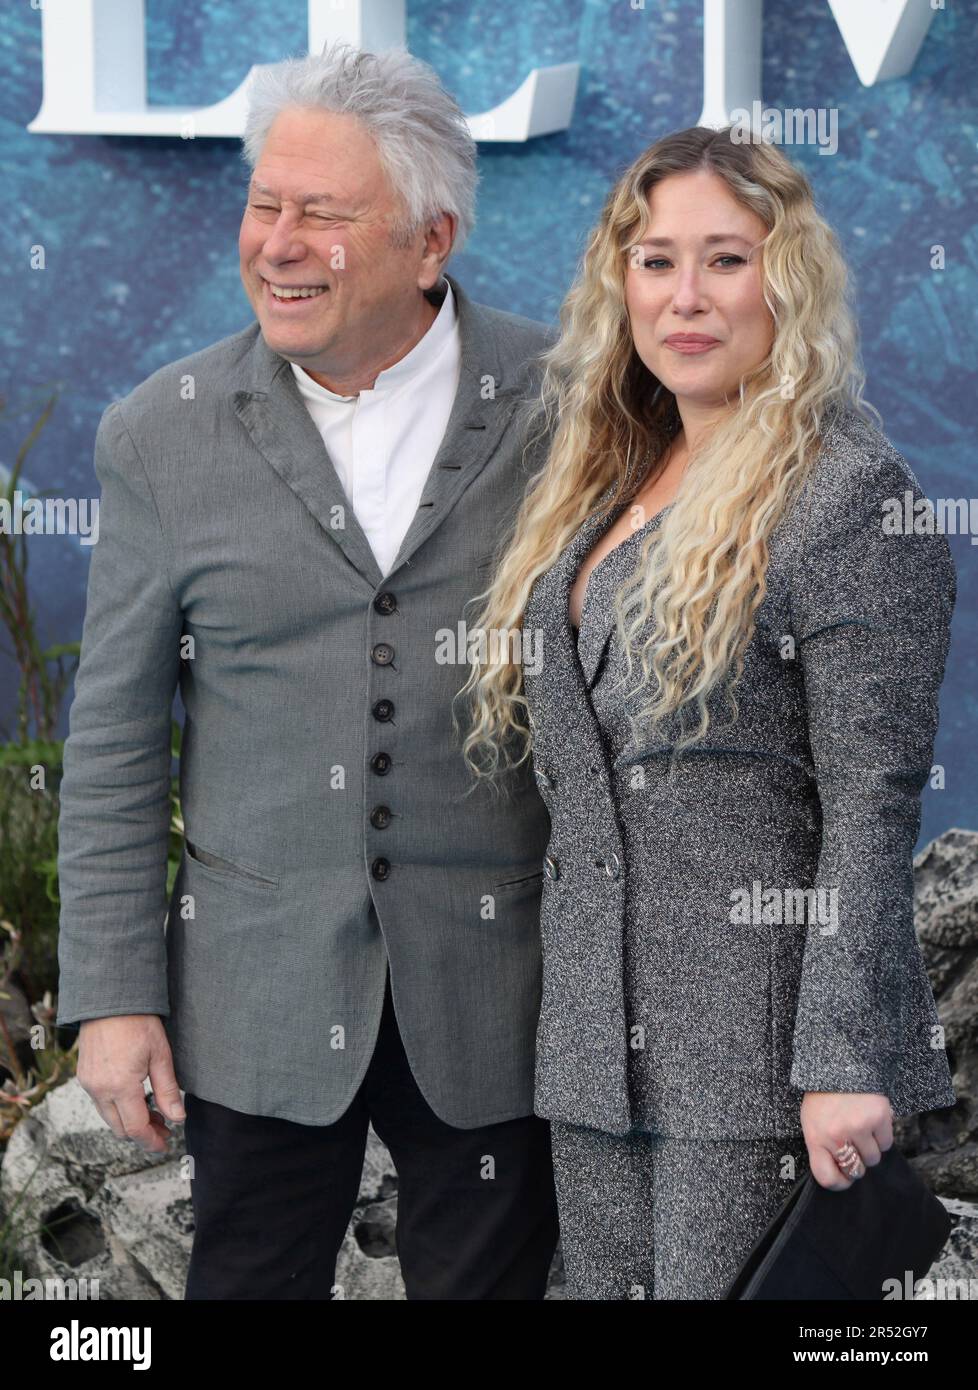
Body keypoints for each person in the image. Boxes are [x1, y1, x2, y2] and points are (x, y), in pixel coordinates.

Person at [56, 43, 560, 1301]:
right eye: (264, 205)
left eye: (322, 217)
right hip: (257, 986)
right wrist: (112, 998)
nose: (276, 244)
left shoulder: (571, 403)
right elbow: (115, 740)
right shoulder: (158, 434)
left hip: (499, 984)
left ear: (430, 240)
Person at [458, 125, 957, 1299]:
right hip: (593, 1060)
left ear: (785, 280)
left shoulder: (847, 498)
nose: (686, 296)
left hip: (760, 1068)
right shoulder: (606, 484)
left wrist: (844, 1057)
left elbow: (872, 804)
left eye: (727, 260)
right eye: (656, 259)